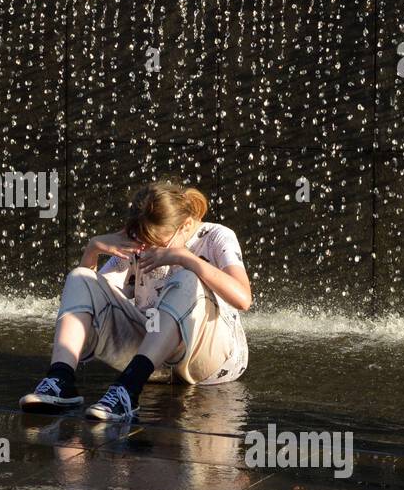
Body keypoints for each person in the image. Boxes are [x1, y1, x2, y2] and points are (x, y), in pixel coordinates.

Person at [20, 180, 253, 424]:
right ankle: (61, 379)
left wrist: (187, 258)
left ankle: (127, 389)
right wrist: (92, 251)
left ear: (185, 226)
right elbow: (92, 300)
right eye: (141, 239)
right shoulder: (141, 240)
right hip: (154, 359)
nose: (148, 248)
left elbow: (243, 298)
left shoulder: (217, 236)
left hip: (207, 360)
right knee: (80, 278)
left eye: (157, 243)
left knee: (188, 278)